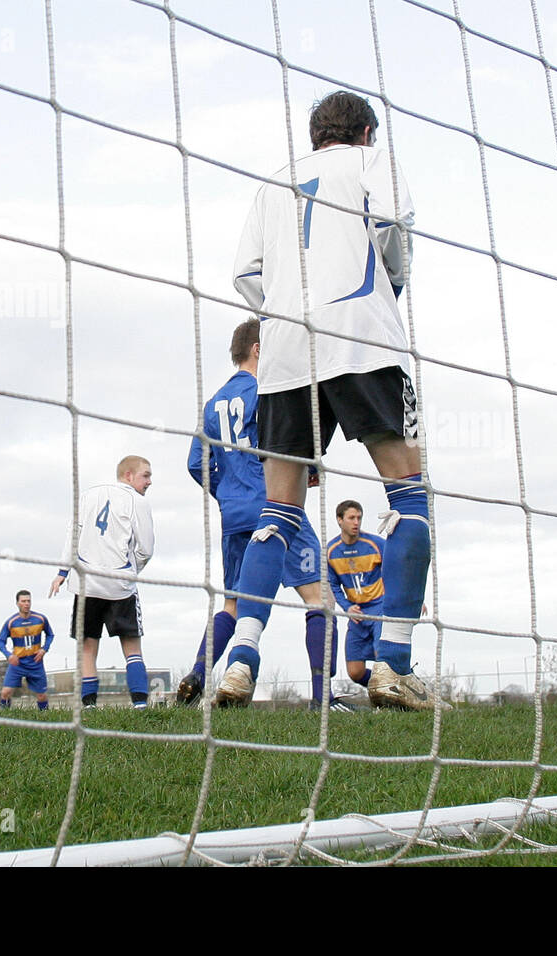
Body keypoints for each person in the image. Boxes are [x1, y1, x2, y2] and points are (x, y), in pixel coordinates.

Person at [219, 90, 443, 712]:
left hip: (287, 352)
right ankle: (393, 666)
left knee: (279, 511)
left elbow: (244, 273)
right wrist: (390, 283)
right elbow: (396, 228)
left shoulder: (274, 182)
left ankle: (240, 663)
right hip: (364, 340)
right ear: (366, 132)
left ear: (315, 134)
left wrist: (290, 311)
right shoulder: (373, 163)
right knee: (408, 493)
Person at [178, 319, 347, 712]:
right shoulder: (268, 390)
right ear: (258, 349)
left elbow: (194, 464)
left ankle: (198, 676)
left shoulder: (213, 403)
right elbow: (284, 441)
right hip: (276, 504)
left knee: (235, 604)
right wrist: (307, 474)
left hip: (234, 515)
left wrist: (229, 494)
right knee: (319, 596)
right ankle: (323, 699)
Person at [49, 456, 154, 709]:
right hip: (120, 585)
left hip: (87, 584)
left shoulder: (88, 495)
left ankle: (88, 706)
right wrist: (132, 570)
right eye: (146, 475)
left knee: (87, 647)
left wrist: (62, 572)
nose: (150, 481)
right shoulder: (137, 501)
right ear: (128, 476)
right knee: (132, 647)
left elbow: (72, 533)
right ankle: (140, 705)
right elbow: (146, 548)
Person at [325, 499, 385, 693]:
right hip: (357, 614)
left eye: (359, 518)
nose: (356, 522)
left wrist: (411, 600)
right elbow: (332, 585)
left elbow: (399, 571)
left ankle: (388, 699)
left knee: (383, 660)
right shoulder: (331, 551)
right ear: (339, 520)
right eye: (351, 518)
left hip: (380, 608)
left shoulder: (376, 544)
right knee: (355, 672)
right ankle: (382, 689)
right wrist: (347, 607)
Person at [0, 589, 54, 710]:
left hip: (35, 662)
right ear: (17, 603)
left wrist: (44, 649)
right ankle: (3, 717)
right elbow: (0, 641)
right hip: (18, 663)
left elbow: (50, 635)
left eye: (28, 601)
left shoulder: (40, 618)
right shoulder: (11, 622)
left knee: (42, 695)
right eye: (23, 601)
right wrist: (8, 655)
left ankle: (45, 718)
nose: (26, 603)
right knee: (5, 692)